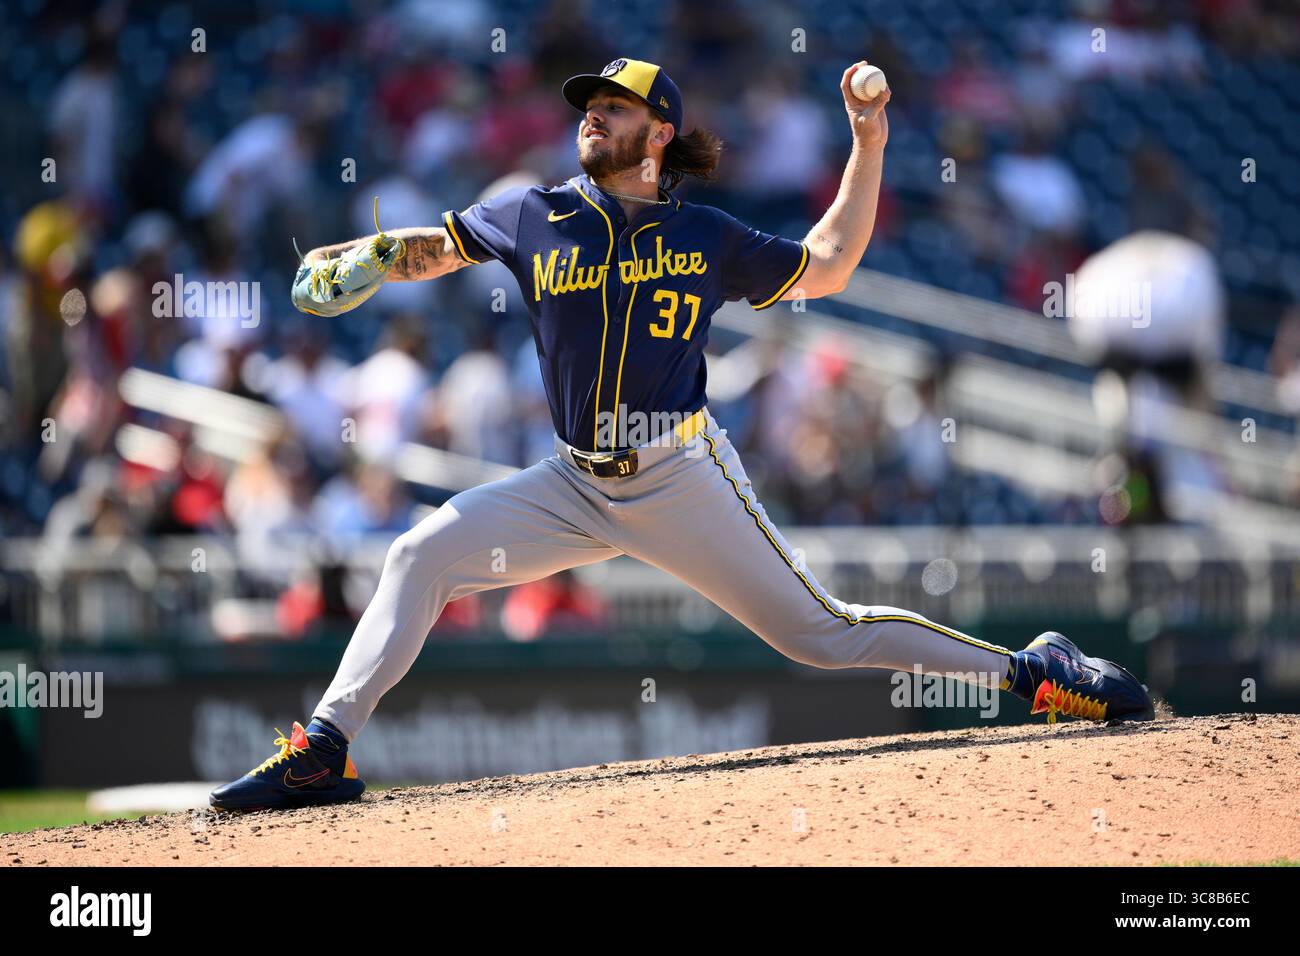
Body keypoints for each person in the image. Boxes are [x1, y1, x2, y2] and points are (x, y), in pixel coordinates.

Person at [210, 58, 1153, 812]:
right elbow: (439, 247)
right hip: (572, 483)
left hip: (678, 473)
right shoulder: (536, 213)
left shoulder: (704, 235)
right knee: (417, 555)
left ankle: (1035, 670)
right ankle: (324, 750)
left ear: (658, 132)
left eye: (613, 107)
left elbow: (828, 264)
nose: (591, 116)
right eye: (587, 106)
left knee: (822, 636)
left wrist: (867, 144)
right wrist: (371, 254)